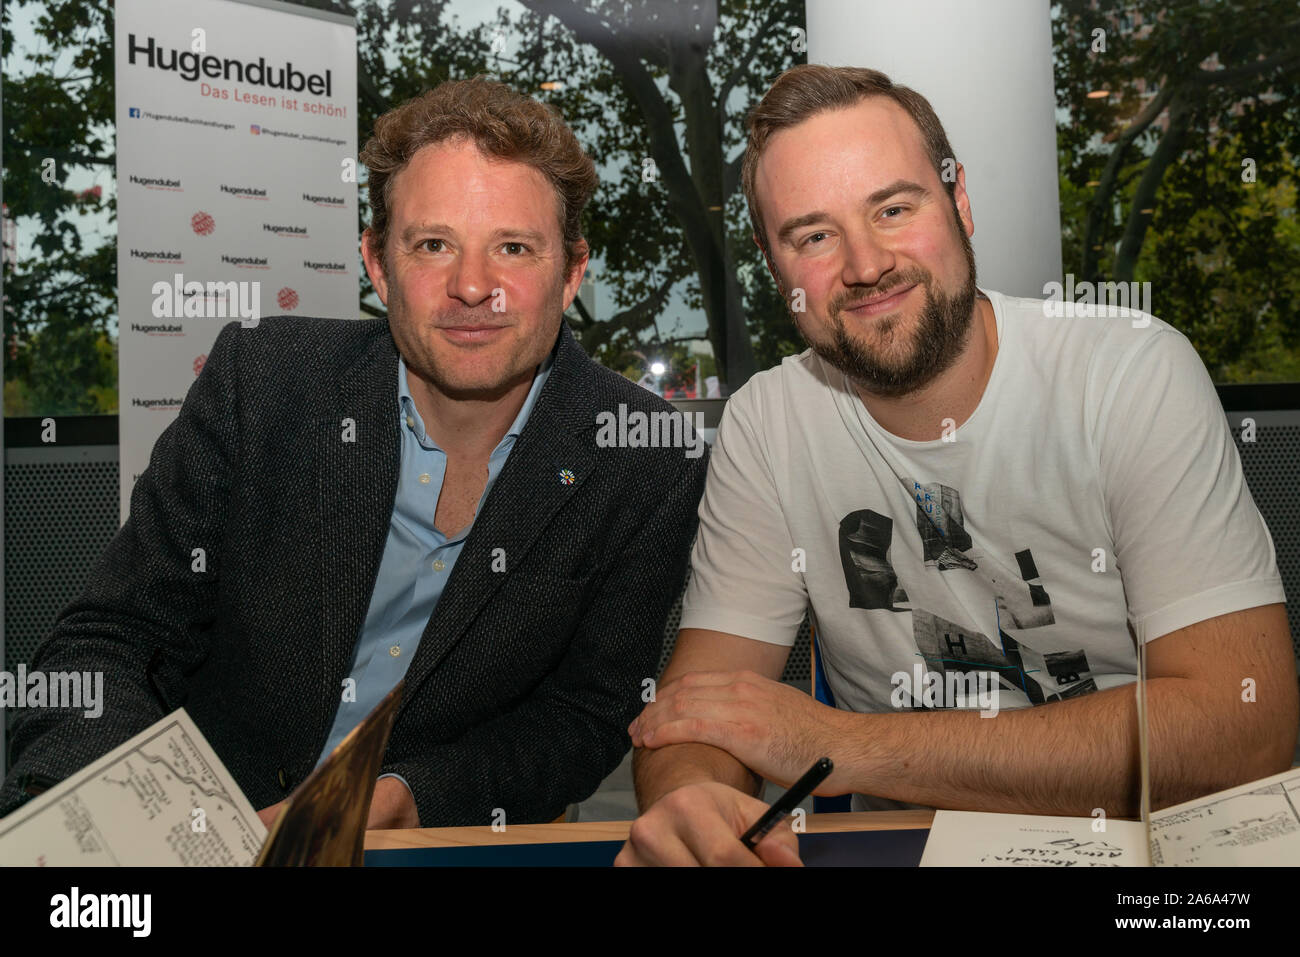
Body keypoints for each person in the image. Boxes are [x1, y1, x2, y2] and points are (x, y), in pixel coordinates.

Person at [618, 64, 1295, 866]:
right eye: (813, 235)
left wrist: (843, 744)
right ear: (776, 271)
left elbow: (1245, 727)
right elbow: (697, 713)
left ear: (959, 201)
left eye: (894, 208)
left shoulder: (1129, 372)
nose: (866, 264)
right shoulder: (767, 422)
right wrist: (691, 801)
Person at [1, 77, 708, 829]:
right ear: (377, 264)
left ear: (570, 273)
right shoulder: (262, 382)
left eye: (513, 247)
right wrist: (152, 823)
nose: (473, 287)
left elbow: (584, 713)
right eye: (433, 244)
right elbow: (110, 641)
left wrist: (412, 792)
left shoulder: (644, 459)